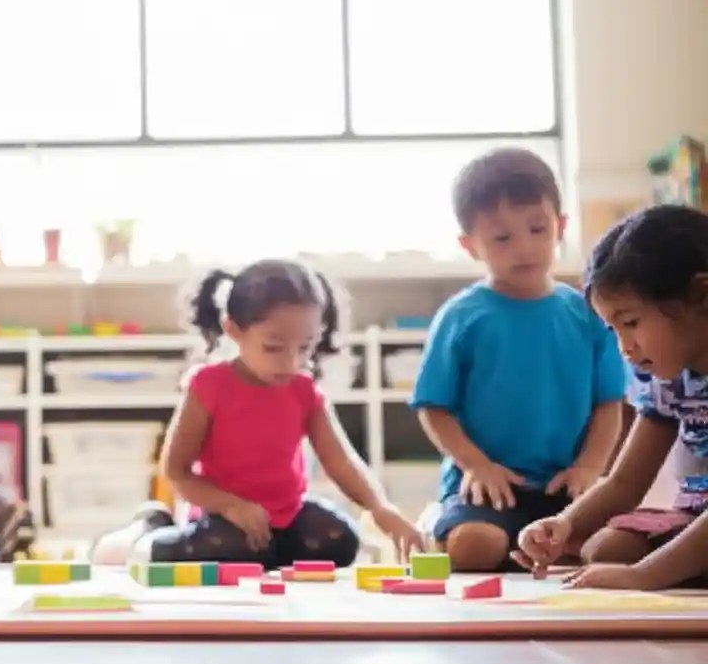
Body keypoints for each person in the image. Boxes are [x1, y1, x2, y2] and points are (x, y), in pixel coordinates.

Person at [93, 259, 424, 568]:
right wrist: (230, 506)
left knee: (339, 541)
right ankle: (147, 531)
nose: (292, 362)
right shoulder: (209, 385)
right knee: (233, 550)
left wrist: (381, 509)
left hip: (285, 516)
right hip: (225, 519)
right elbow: (176, 470)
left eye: (305, 347)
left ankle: (270, 552)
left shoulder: (303, 389)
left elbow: (340, 460)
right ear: (234, 329)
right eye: (274, 347)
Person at [410, 148, 627, 572]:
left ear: (561, 227)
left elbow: (608, 404)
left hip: (564, 486)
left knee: (606, 550)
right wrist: (477, 465)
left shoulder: (585, 312)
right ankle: (437, 528)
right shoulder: (461, 316)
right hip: (488, 488)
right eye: (502, 237)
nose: (524, 248)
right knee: (475, 548)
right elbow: (434, 409)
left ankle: (534, 550)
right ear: (470, 245)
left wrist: (589, 467)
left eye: (537, 229)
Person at [516, 204, 708, 589]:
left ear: (701, 296)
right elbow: (623, 482)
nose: (625, 347)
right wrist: (565, 523)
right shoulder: (666, 381)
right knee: (606, 549)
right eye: (613, 329)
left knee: (633, 566)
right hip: (696, 513)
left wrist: (643, 575)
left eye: (632, 323)